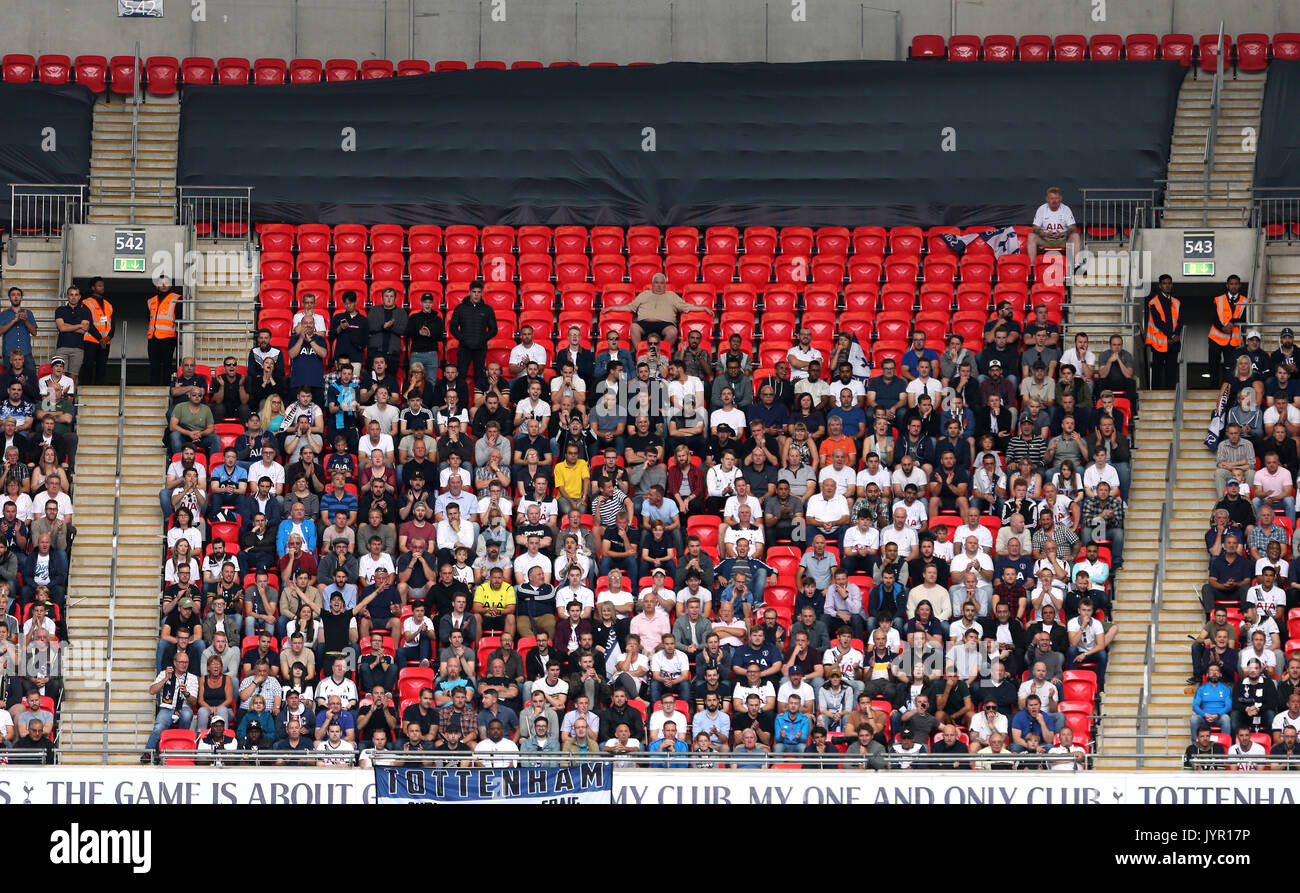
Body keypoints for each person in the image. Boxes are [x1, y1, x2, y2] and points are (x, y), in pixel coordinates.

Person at [1208, 275, 1248, 386]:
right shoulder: (1218, 299)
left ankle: (1227, 387)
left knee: (1230, 366)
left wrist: (1233, 322)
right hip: (1216, 337)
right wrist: (1222, 327)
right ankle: (1213, 387)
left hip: (1232, 340)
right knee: (1213, 364)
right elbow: (1213, 317)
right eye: (1231, 284)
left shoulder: (1245, 301)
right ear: (1227, 285)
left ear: (1239, 285)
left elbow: (1245, 318)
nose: (1234, 286)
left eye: (1236, 284)